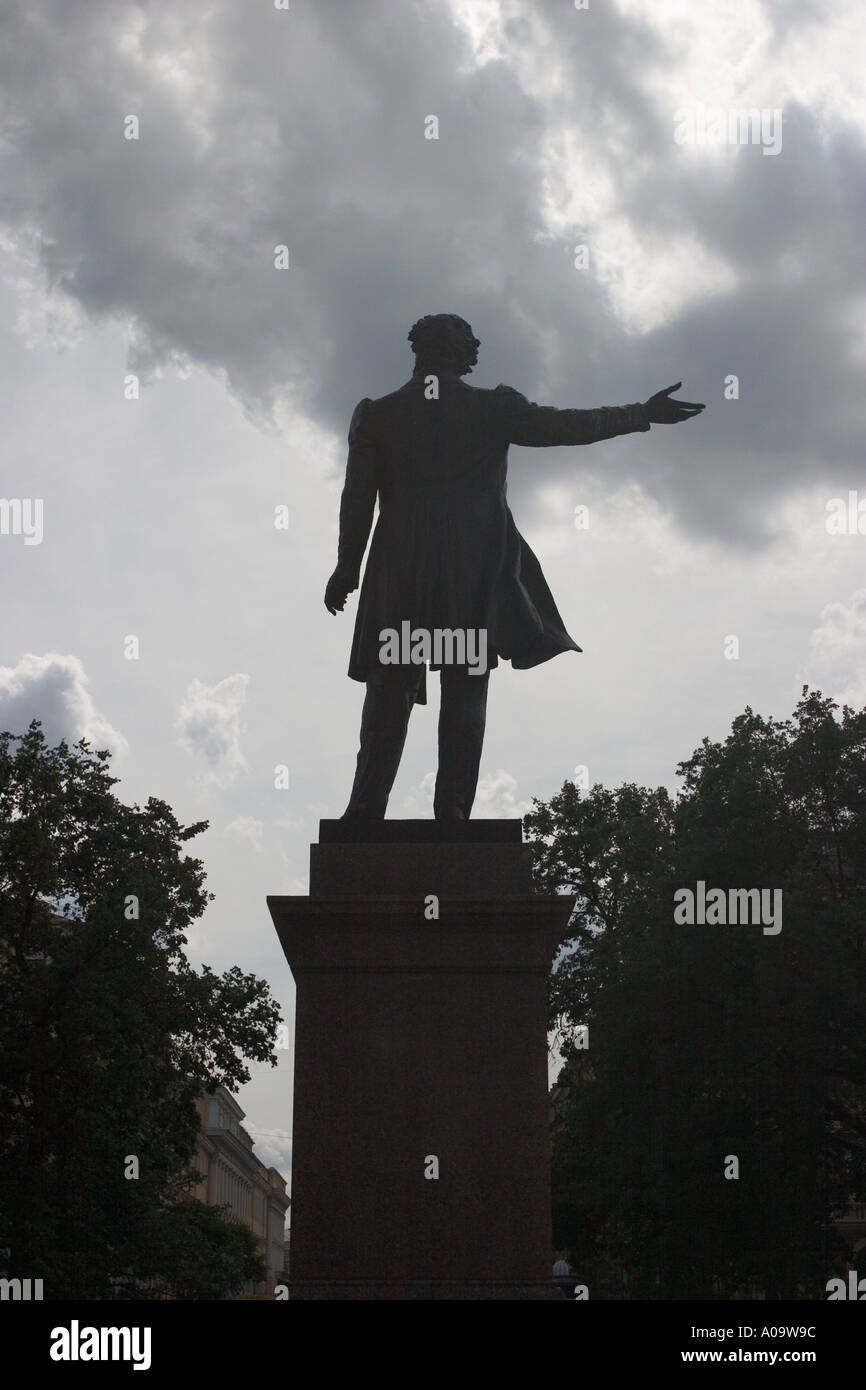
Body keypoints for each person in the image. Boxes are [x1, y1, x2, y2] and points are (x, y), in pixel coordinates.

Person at [325, 313, 704, 820]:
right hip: (470, 568)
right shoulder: (491, 408)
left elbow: (358, 501)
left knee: (390, 687)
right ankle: (454, 815)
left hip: (402, 569)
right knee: (464, 684)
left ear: (417, 353)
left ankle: (364, 813)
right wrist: (640, 413)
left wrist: (347, 570)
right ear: (466, 355)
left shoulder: (377, 415)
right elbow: (565, 427)